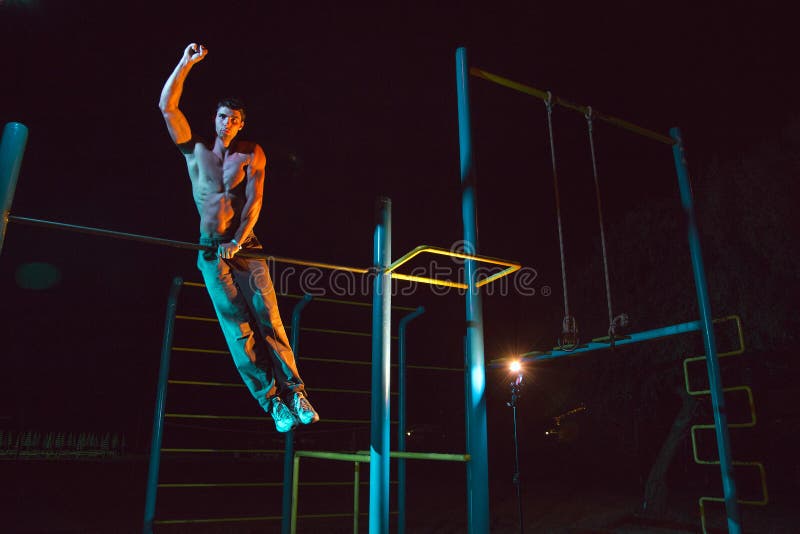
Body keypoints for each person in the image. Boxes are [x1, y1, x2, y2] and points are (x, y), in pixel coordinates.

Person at [158, 43, 318, 433]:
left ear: (241, 124)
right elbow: (167, 107)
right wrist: (185, 63)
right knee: (237, 328)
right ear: (214, 119)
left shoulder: (250, 153)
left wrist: (240, 238)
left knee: (268, 317)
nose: (227, 123)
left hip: (246, 245)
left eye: (234, 119)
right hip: (210, 249)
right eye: (222, 116)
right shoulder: (195, 151)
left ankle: (295, 392)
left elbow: (255, 201)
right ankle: (273, 401)